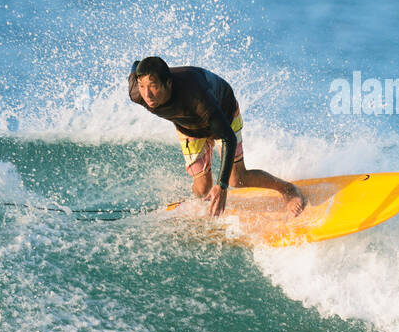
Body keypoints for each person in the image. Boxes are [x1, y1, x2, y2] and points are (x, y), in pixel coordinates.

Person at [128, 56, 304, 217]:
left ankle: (287, 189)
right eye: (143, 86)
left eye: (154, 86)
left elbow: (229, 138)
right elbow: (136, 65)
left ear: (168, 83)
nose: (147, 94)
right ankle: (199, 204)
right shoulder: (137, 94)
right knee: (202, 187)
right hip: (189, 126)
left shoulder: (197, 97)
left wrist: (222, 186)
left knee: (236, 178)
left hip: (223, 114)